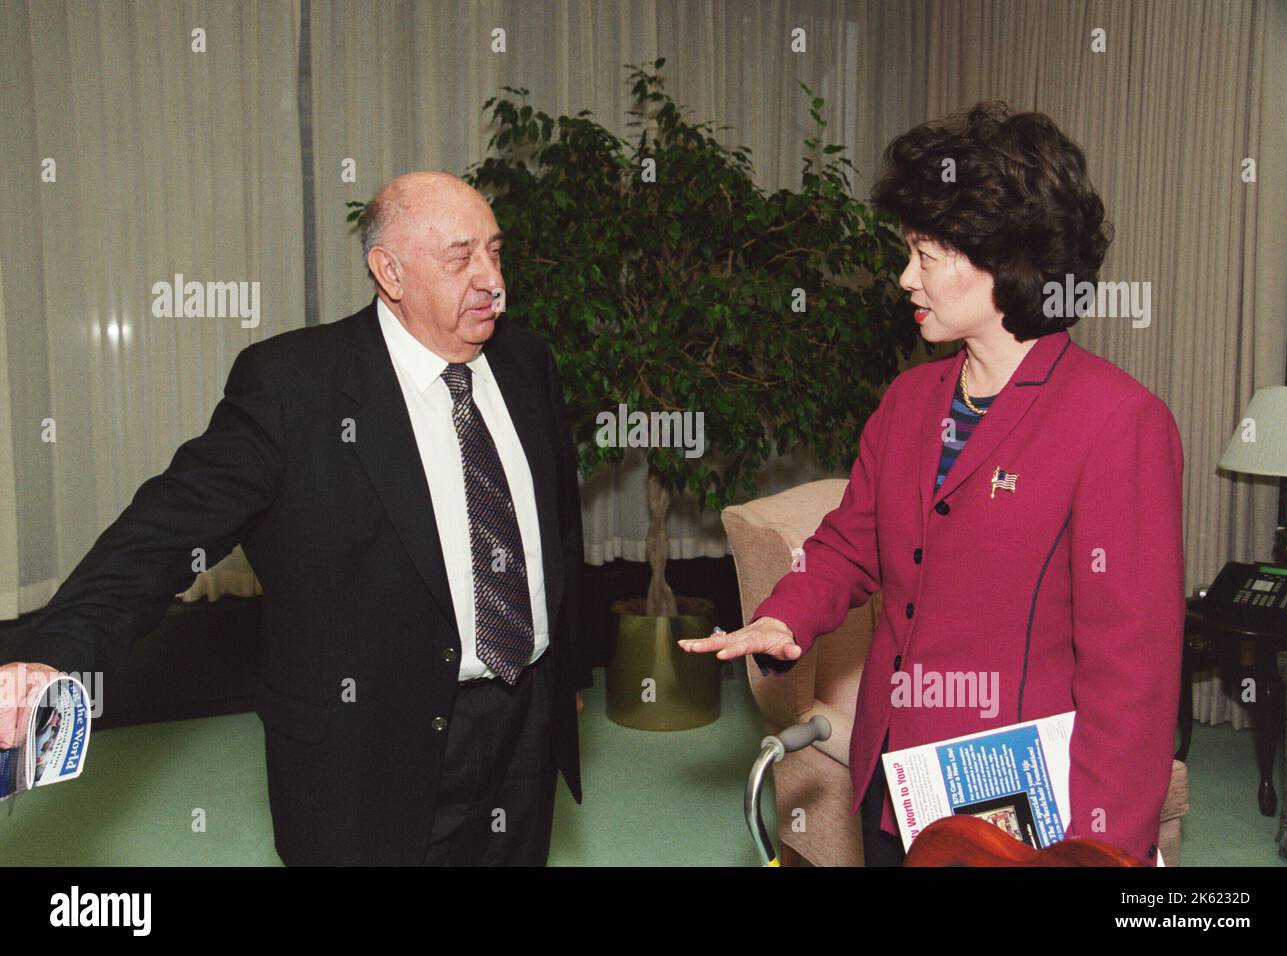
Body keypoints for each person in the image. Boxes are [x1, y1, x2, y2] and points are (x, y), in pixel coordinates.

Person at [0, 171, 590, 866]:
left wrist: (567, 670)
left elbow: (552, 523)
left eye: (496, 252)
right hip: (366, 749)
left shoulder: (525, 361)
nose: (492, 280)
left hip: (525, 723)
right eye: (462, 259)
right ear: (389, 271)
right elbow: (162, 534)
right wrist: (55, 651)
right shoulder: (292, 387)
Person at [681, 102, 1184, 867]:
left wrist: (1100, 851)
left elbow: (1134, 676)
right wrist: (787, 615)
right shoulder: (911, 400)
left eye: (927, 252)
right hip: (897, 777)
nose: (904, 276)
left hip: (1022, 816)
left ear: (1004, 257)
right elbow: (851, 541)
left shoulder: (1119, 424)